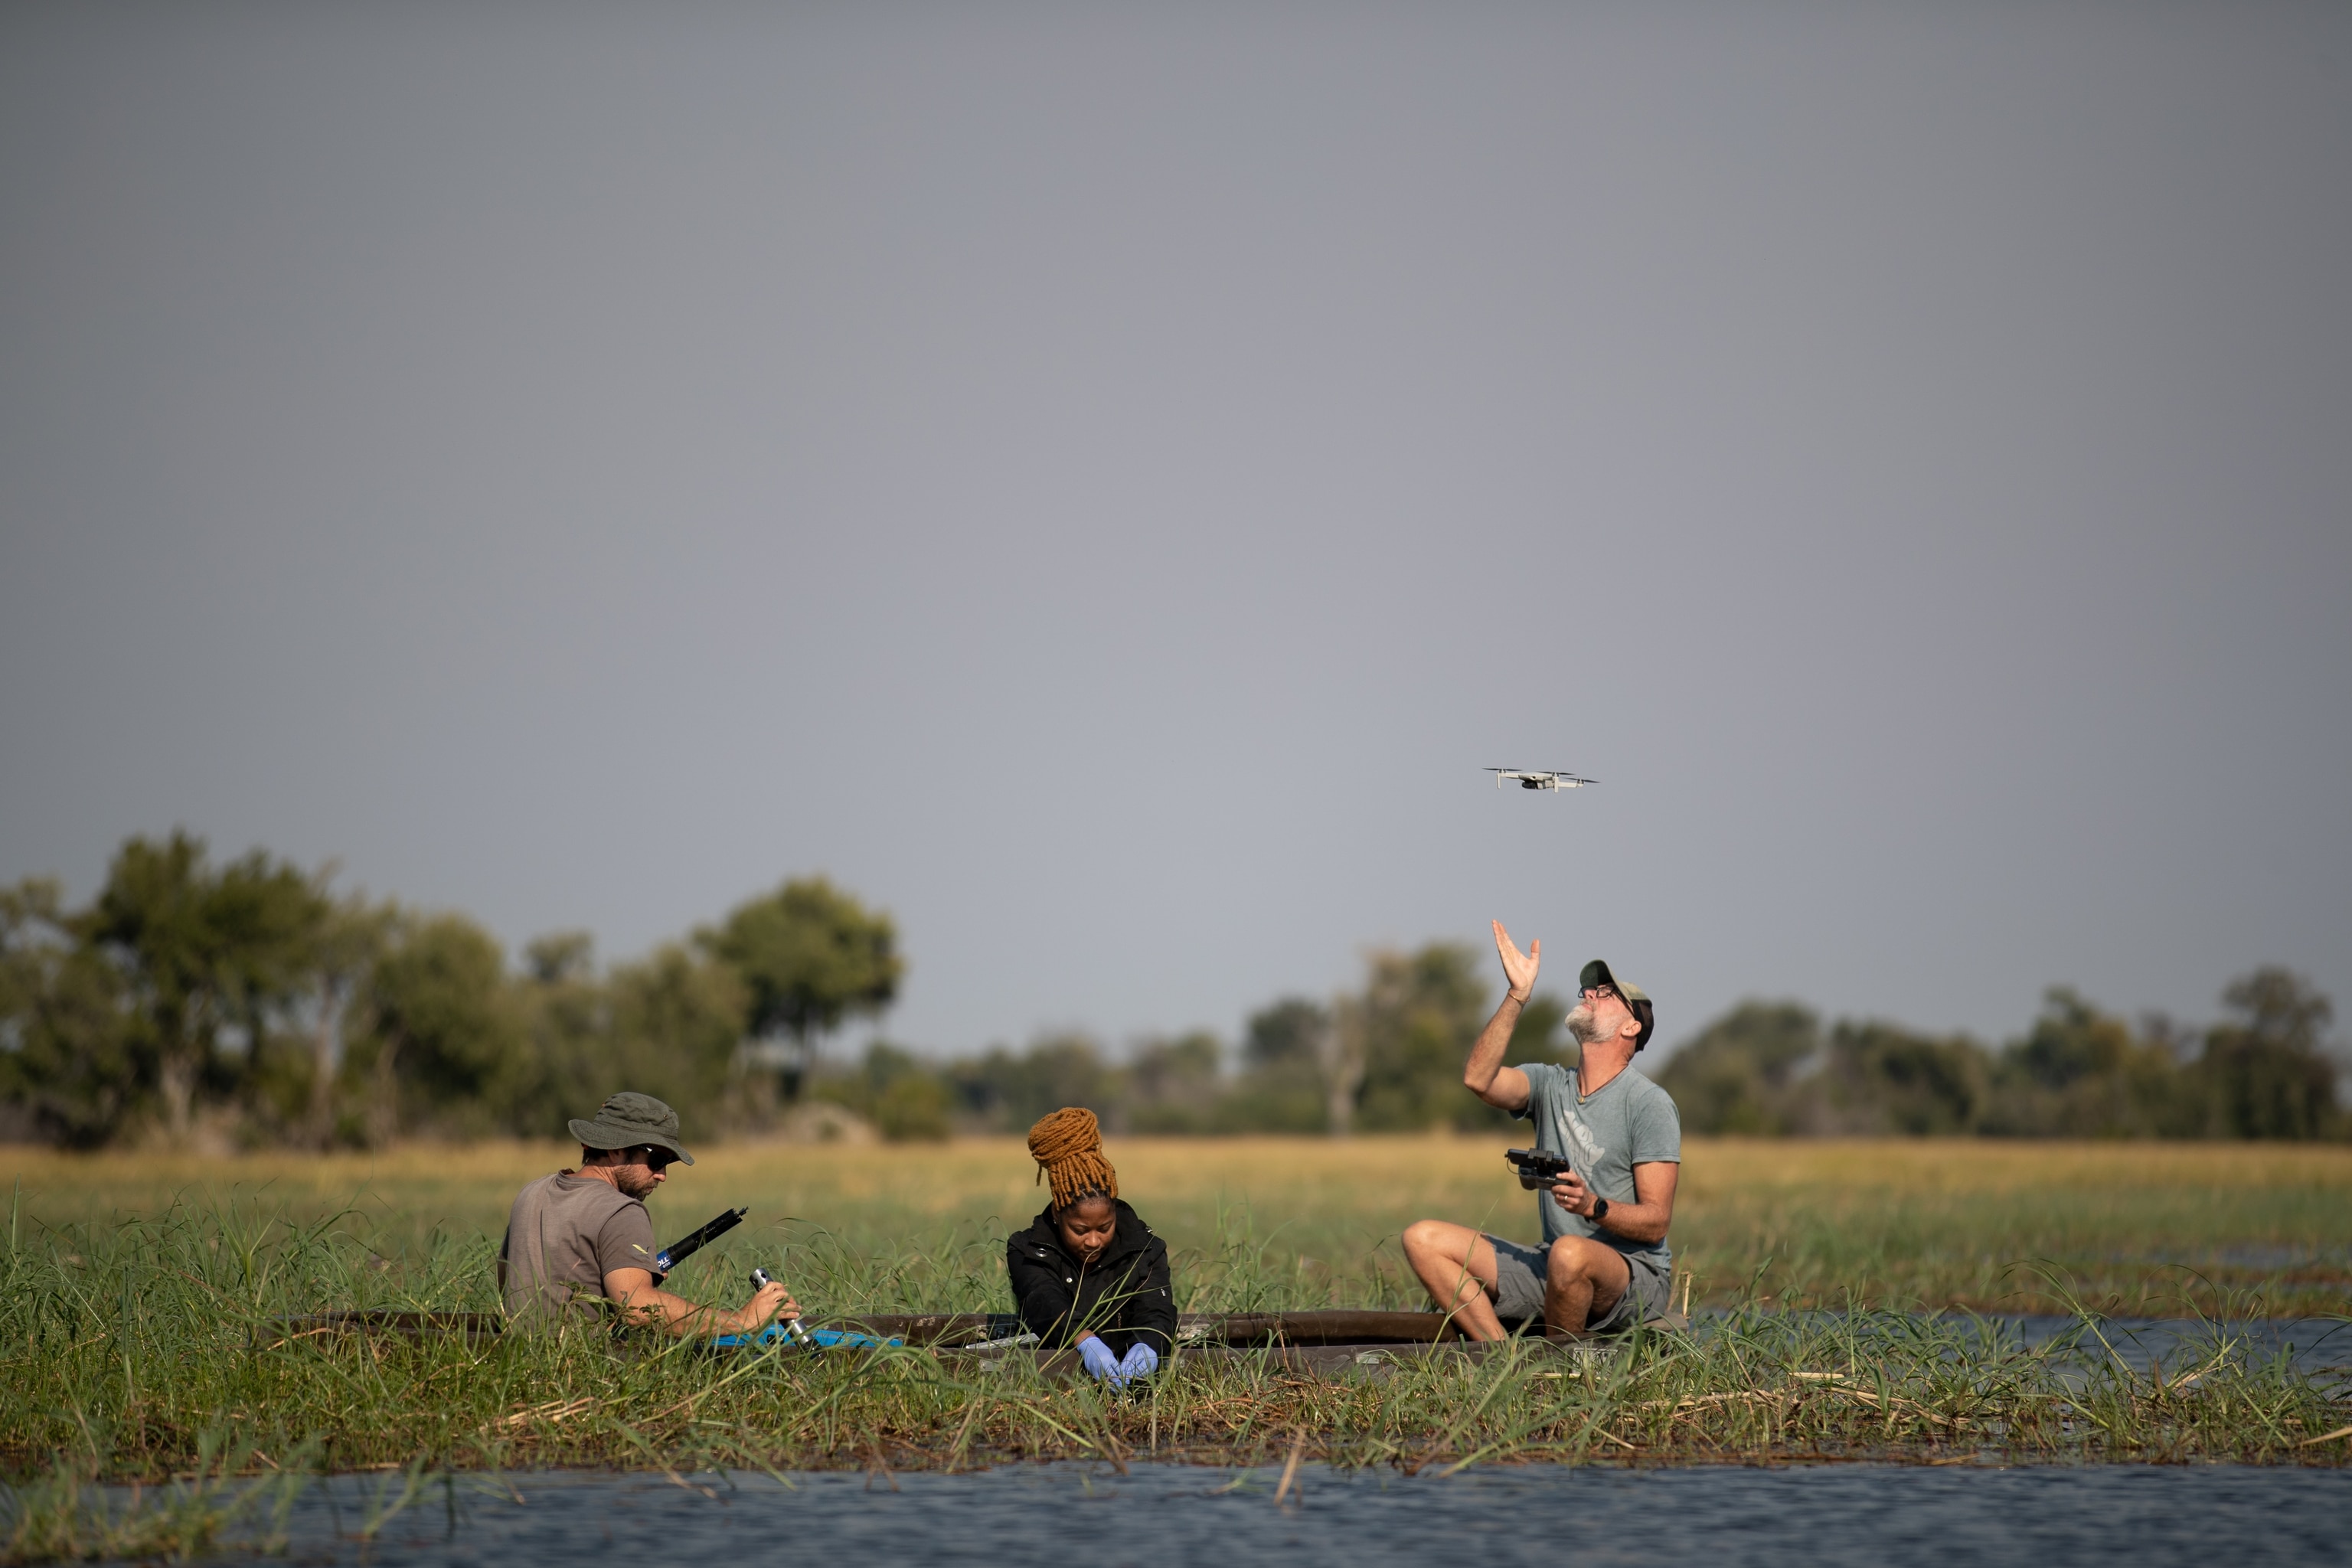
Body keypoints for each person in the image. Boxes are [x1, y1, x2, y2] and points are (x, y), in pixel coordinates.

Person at [1401, 922, 1682, 1340]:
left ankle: (1559, 1370)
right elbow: (1479, 1079)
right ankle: (1502, 1359)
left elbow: (1656, 1223)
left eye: (1605, 995)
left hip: (1633, 1277)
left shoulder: (1649, 1103)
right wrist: (1518, 996)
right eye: (1589, 990)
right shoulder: (1550, 1083)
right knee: (1421, 1238)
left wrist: (1593, 1206)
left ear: (1631, 1027)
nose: (1588, 993)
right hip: (1554, 1263)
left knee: (1570, 1254)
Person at [498, 1090, 795, 1335]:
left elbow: (509, 1282)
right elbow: (639, 1310)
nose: (663, 1175)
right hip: (585, 1380)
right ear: (615, 1149)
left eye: (669, 1163)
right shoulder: (622, 1210)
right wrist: (742, 1320)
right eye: (656, 1160)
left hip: (522, 1367)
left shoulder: (532, 1193)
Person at [1007, 1106, 1175, 1387]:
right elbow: (1044, 1302)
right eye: (1080, 1230)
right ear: (1059, 1215)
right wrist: (1087, 1343)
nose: (1094, 1241)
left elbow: (1155, 1310)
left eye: (1105, 1228)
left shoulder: (1145, 1248)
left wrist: (1147, 1347)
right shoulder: (1027, 1250)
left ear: (1115, 1215)